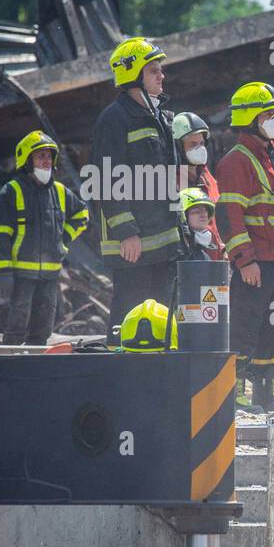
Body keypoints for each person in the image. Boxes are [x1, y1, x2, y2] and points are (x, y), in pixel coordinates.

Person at [90, 37, 185, 343]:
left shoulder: (160, 117)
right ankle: (117, 372)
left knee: (160, 315)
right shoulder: (114, 118)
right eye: (154, 70)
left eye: (160, 70)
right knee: (129, 311)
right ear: (133, 75)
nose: (162, 76)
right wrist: (126, 232)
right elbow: (106, 178)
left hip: (163, 238)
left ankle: (156, 374)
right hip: (134, 242)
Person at [216, 81, 274, 412]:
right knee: (244, 329)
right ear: (252, 119)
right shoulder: (237, 161)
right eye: (271, 114)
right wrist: (244, 260)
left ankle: (265, 394)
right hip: (257, 264)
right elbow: (229, 217)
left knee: (273, 331)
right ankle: (233, 394)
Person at [0, 130, 89, 345]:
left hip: (50, 275)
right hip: (21, 274)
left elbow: (82, 215)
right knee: (16, 327)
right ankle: (10, 364)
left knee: (43, 328)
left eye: (49, 156)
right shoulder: (11, 191)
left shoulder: (60, 191)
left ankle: (37, 366)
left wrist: (64, 239)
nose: (46, 161)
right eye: (40, 156)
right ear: (27, 159)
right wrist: (3, 271)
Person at [173, 111, 218, 201]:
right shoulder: (173, 181)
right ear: (178, 148)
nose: (200, 148)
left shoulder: (205, 175)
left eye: (202, 143)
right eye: (193, 144)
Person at [178, 187, 226, 261]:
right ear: (183, 216)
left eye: (205, 211)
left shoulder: (213, 240)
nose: (203, 215)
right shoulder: (179, 247)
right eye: (197, 211)